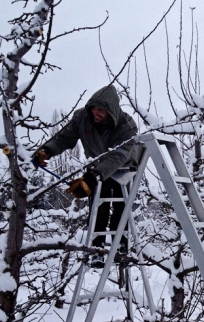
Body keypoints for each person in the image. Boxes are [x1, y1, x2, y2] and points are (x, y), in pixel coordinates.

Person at [33, 85, 140, 267]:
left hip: (123, 168)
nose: (95, 113)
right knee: (99, 206)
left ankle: (120, 246)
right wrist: (46, 150)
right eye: (93, 108)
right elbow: (63, 138)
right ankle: (97, 249)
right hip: (97, 166)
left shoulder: (127, 124)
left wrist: (93, 176)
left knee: (121, 205)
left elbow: (119, 155)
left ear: (110, 110)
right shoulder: (82, 118)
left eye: (100, 110)